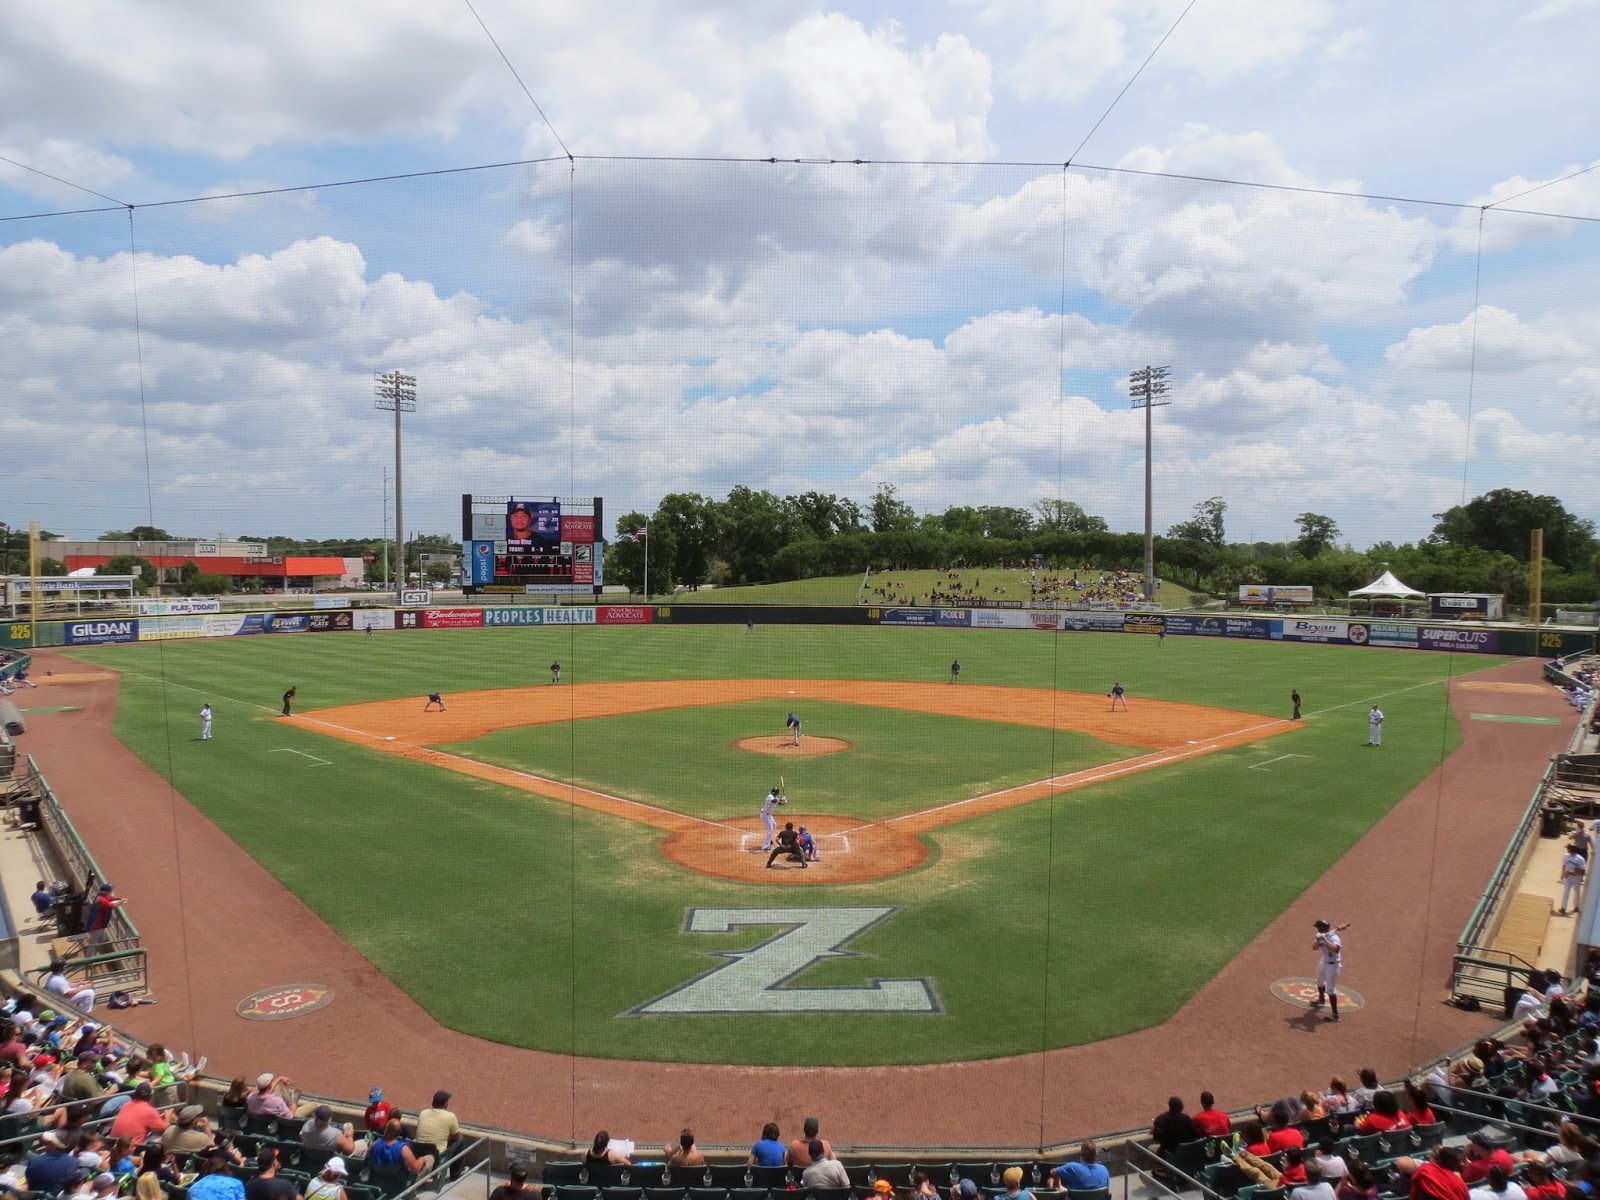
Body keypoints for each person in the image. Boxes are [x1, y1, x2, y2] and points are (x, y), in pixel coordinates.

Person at [1312, 919, 1346, 1022]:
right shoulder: (1320, 935)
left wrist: (1326, 940)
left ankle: (1335, 1015)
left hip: (1333, 965)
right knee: (1319, 982)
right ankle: (1321, 1000)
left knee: (1330, 989)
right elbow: (1314, 948)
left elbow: (1336, 949)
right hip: (1324, 962)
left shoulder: (1334, 937)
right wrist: (1318, 940)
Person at [412, 1092, 460, 1164]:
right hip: (437, 1155)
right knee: (461, 1140)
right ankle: (456, 1173)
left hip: (418, 1152)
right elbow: (456, 1137)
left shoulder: (423, 1113)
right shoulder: (450, 1116)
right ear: (446, 1104)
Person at [84, 885, 126, 952]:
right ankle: (89, 959)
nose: (111, 892)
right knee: (93, 943)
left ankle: (94, 954)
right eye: (110, 891)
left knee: (102, 939)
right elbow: (113, 905)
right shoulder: (101, 900)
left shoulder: (102, 896)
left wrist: (119, 898)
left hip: (101, 924)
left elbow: (110, 898)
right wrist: (122, 901)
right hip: (96, 925)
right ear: (105, 892)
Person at [1559, 846, 1586, 915]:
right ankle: (1563, 908)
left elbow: (1582, 871)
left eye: (1568, 848)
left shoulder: (1580, 859)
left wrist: (1572, 872)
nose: (1567, 849)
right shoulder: (1566, 856)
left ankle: (1576, 906)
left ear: (1571, 849)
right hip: (1567, 877)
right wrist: (1562, 874)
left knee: (1576, 892)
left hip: (1576, 877)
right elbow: (1564, 865)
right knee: (1566, 891)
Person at [758, 786, 783, 851]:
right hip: (765, 815)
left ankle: (769, 840)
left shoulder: (775, 797)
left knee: (774, 825)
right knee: (770, 829)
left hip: (769, 815)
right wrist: (780, 799)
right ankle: (765, 846)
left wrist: (784, 801)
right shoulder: (770, 796)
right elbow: (774, 801)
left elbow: (779, 803)